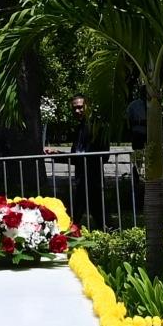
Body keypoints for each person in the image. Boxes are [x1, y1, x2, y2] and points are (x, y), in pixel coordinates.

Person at [49, 94, 109, 228]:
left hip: (93, 176)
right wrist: (57, 154)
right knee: (81, 209)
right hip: (81, 177)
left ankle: (106, 231)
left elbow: (104, 156)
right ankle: (75, 230)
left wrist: (82, 159)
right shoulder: (79, 129)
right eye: (74, 108)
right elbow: (75, 156)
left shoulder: (98, 126)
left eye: (80, 107)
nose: (77, 111)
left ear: (88, 106)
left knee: (96, 209)